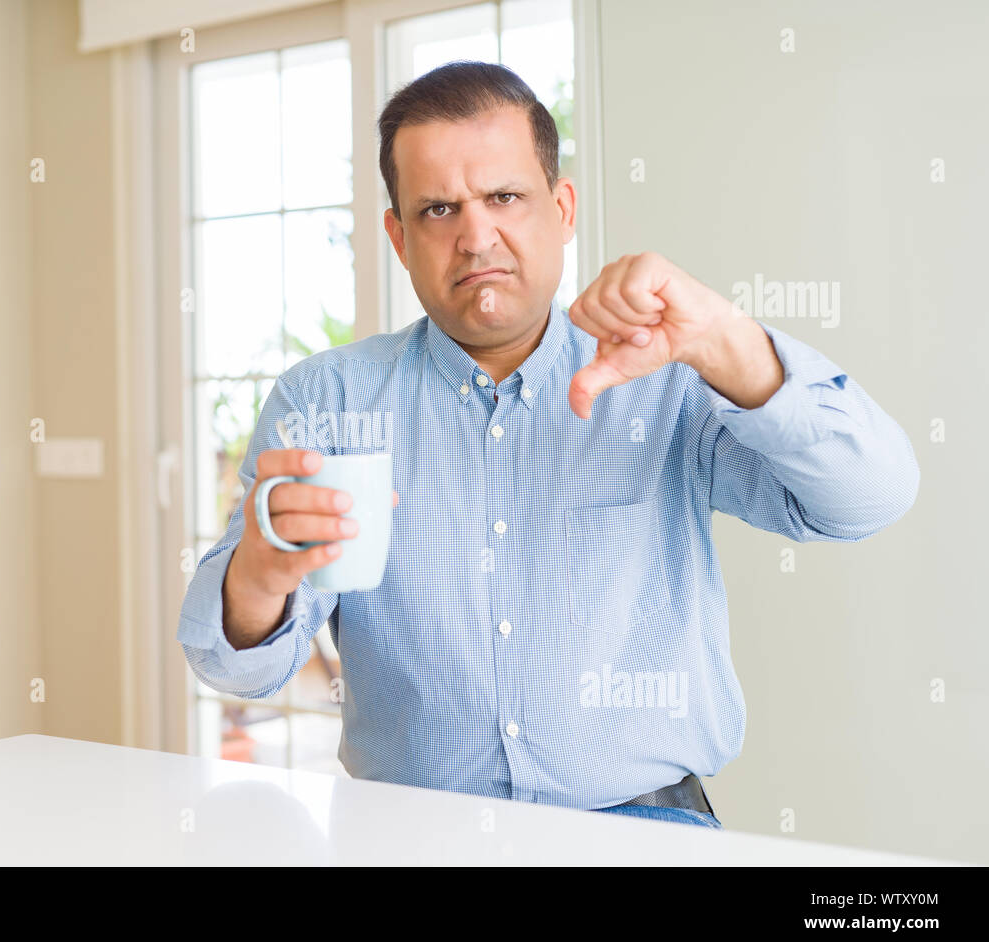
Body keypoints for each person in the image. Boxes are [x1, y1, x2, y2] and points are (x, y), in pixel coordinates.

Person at [175, 61, 919, 830]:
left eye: (504, 196)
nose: (475, 235)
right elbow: (232, 665)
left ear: (561, 208)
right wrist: (259, 581)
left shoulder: (667, 375)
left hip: (644, 830)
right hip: (409, 835)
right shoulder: (326, 401)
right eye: (437, 209)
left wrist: (728, 340)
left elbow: (870, 498)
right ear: (398, 236)